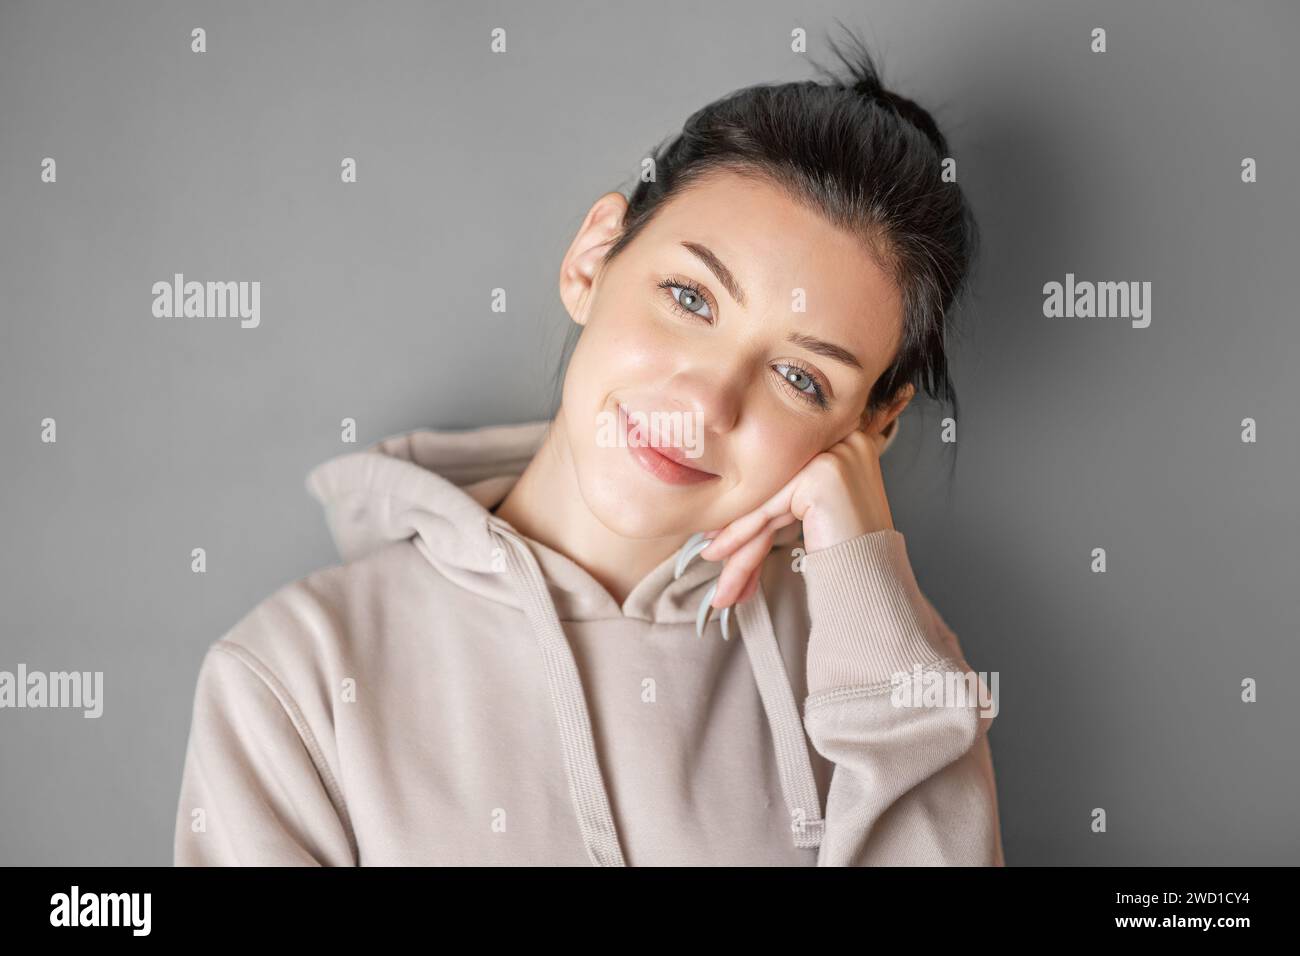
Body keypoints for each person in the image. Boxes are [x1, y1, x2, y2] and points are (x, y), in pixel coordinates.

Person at [173, 28, 1004, 866]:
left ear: (872, 426)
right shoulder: (291, 675)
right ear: (594, 256)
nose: (705, 401)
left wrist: (874, 609)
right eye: (690, 296)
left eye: (800, 378)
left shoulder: (881, 677)